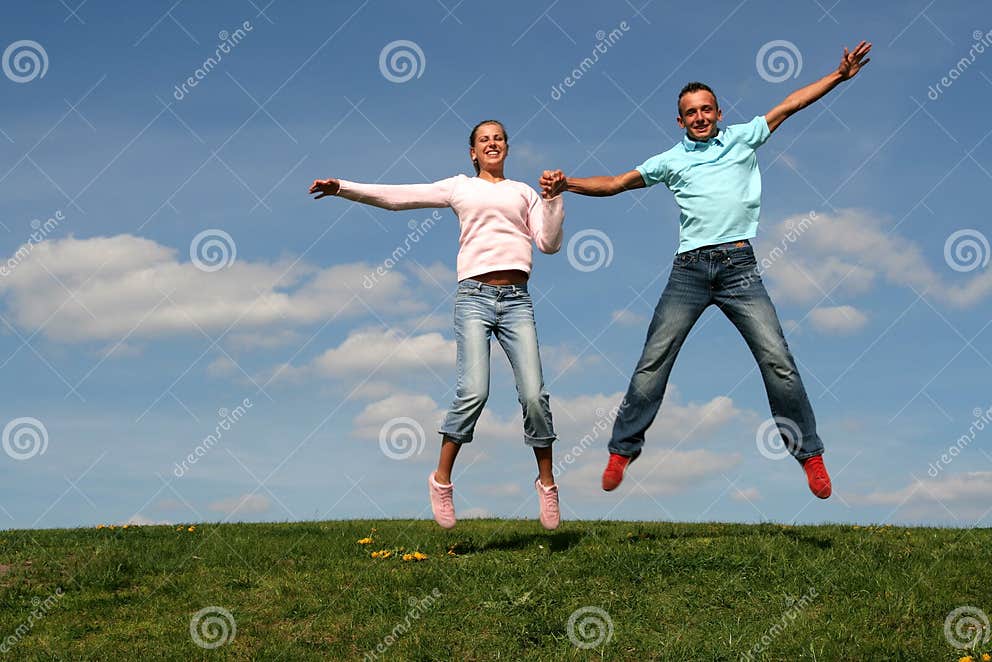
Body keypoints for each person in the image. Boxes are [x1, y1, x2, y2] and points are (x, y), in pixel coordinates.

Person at [541, 41, 873, 499]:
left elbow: (790, 105)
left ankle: (809, 455)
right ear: (680, 121)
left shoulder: (743, 137)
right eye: (690, 112)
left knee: (778, 361)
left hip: (739, 267)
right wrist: (568, 184)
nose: (699, 117)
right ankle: (622, 448)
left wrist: (838, 76)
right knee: (653, 360)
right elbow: (616, 183)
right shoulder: (670, 160)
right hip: (689, 271)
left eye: (706, 110)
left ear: (719, 112)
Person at [310, 120, 568, 529]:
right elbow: (399, 198)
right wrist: (343, 187)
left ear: (507, 147)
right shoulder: (459, 186)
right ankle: (442, 480)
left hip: (517, 301)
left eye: (498, 138)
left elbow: (549, 244)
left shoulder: (524, 193)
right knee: (473, 393)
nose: (492, 143)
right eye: (484, 139)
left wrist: (553, 199)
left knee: (535, 396)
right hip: (474, 300)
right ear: (472, 152)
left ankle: (548, 484)